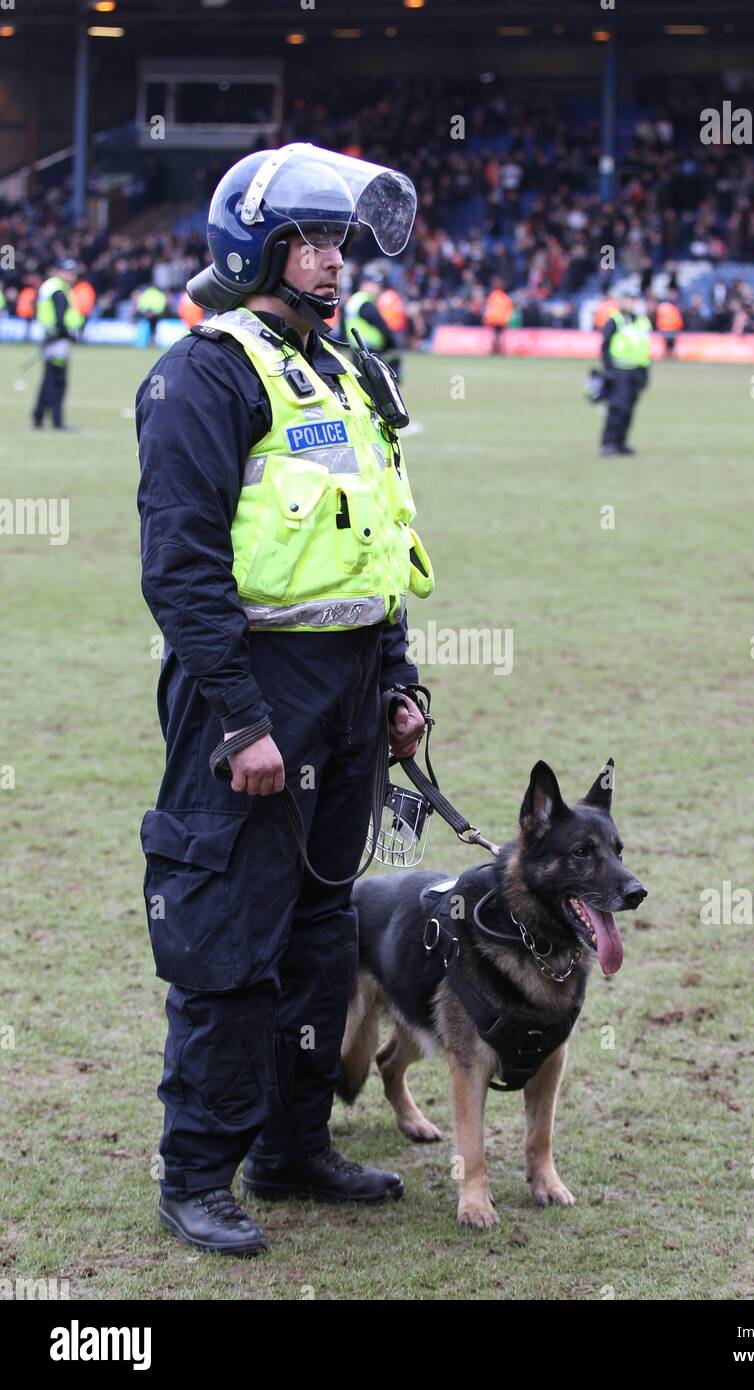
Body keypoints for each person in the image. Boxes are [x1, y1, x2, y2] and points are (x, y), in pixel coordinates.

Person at [136, 143, 435, 1256]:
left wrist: (396, 682)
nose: (332, 262)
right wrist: (241, 719)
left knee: (321, 933)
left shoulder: (349, 366)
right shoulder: (202, 373)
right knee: (229, 934)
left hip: (350, 692)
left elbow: (378, 542)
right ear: (253, 248)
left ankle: (292, 1147)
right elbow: (182, 568)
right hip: (251, 692)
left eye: (338, 242)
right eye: (310, 242)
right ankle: (195, 1172)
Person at [599, 290, 653, 457]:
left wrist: (645, 372)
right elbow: (605, 347)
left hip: (636, 370)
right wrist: (609, 370)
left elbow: (645, 348)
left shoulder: (642, 322)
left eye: (634, 300)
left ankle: (621, 442)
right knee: (617, 407)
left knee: (629, 408)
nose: (631, 303)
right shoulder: (616, 321)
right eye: (628, 300)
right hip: (620, 371)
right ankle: (609, 443)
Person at [32, 258, 83, 430]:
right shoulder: (59, 290)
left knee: (48, 379)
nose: (72, 276)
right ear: (60, 271)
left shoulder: (51, 286)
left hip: (51, 338)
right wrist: (68, 334)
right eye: (69, 272)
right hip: (58, 340)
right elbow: (60, 318)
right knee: (58, 381)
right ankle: (57, 420)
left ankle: (38, 417)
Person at [343, 270, 401, 377]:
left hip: (357, 347)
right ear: (365, 284)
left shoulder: (355, 300)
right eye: (374, 284)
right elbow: (379, 323)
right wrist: (391, 342)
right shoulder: (365, 301)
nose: (378, 288)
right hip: (369, 349)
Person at [483, 276, 513, 354]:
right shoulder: (505, 297)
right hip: (501, 319)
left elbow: (488, 308)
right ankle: (500, 350)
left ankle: (494, 350)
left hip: (493, 319)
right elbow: (509, 310)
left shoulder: (493, 296)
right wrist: (507, 319)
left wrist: (486, 317)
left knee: (494, 335)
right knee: (500, 336)